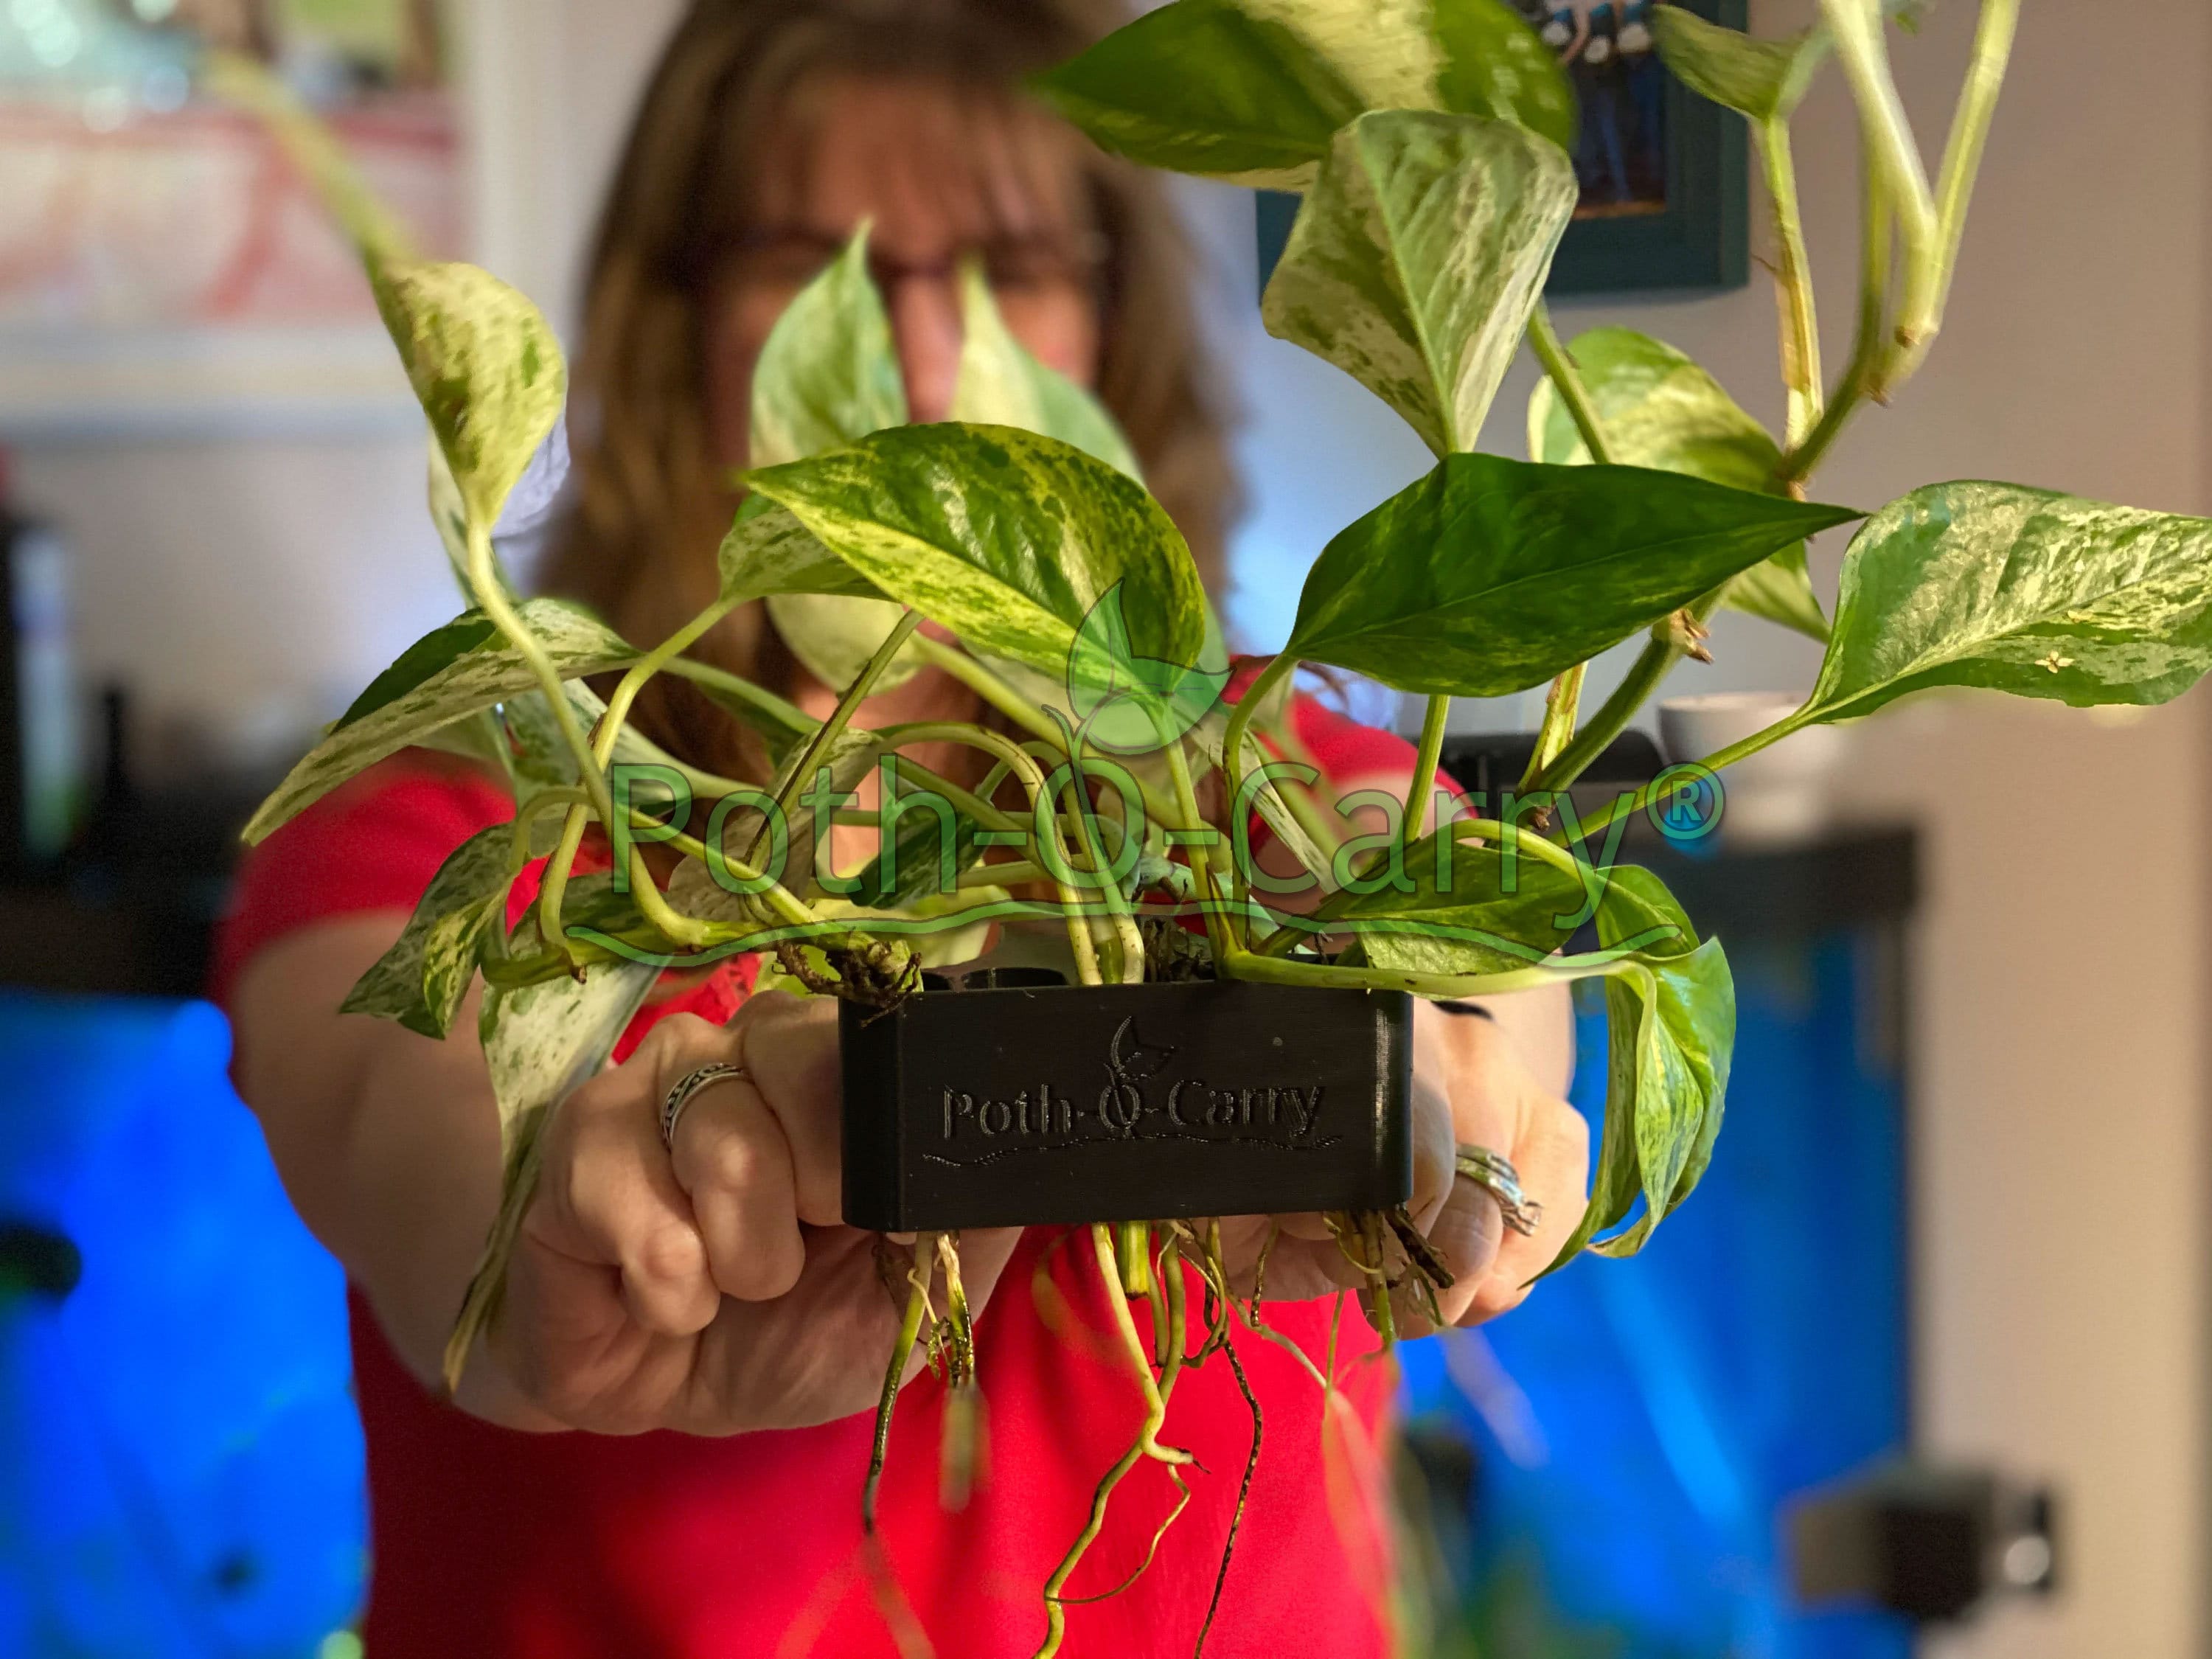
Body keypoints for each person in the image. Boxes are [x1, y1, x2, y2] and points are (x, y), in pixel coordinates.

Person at [220, 1, 1592, 1654]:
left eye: (1010, 270)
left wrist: (1457, 1090)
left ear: (1110, 324)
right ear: (678, 317)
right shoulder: (482, 805)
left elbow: (1461, 937)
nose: (923, 365)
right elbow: (398, 1124)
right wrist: (564, 1238)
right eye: (823, 273)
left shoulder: (1246, 762)